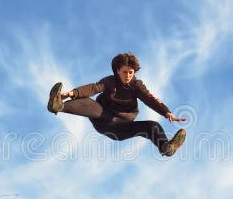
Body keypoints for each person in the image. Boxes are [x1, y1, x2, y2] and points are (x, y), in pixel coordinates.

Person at [47, 52, 187, 157]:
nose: (127, 76)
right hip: (102, 120)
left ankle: (166, 148)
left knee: (152, 126)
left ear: (134, 72)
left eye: (130, 72)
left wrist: (166, 112)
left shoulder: (137, 85)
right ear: (117, 71)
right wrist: (72, 93)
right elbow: (94, 88)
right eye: (124, 72)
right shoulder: (110, 81)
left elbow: (149, 98)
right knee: (91, 104)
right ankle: (58, 105)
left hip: (121, 126)